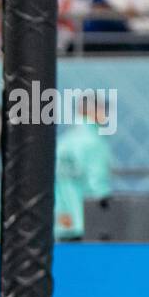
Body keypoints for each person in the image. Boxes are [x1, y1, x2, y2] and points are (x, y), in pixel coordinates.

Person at [55, 97, 112, 240]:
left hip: (62, 220)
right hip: (86, 223)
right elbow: (97, 185)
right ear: (96, 112)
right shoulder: (94, 143)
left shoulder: (63, 142)